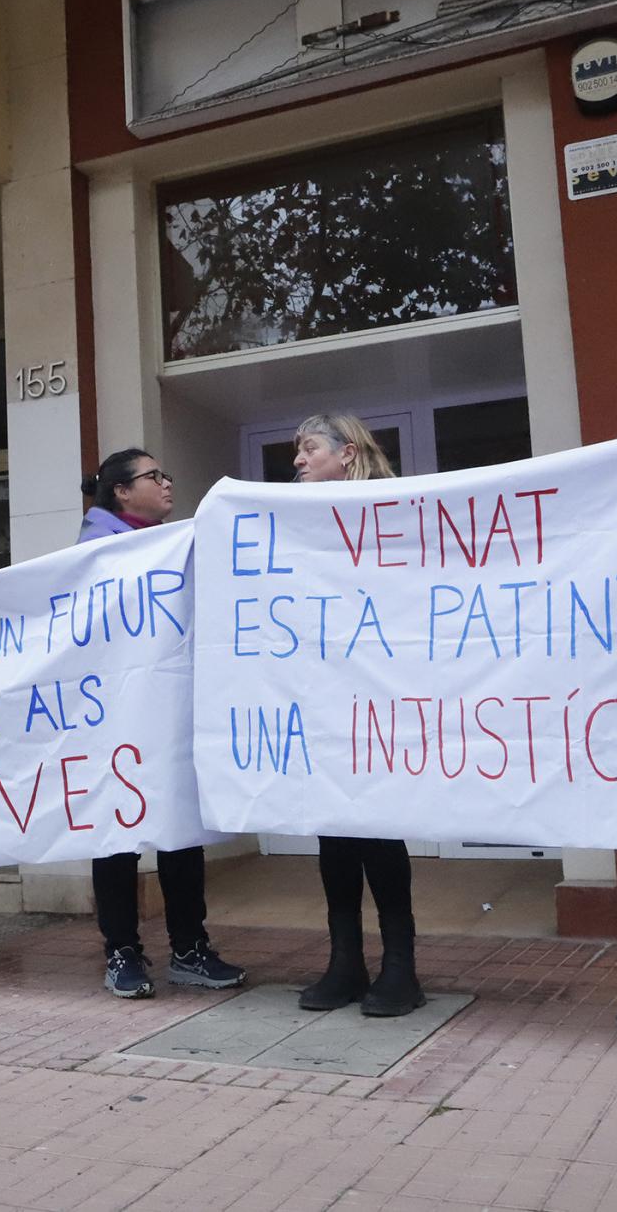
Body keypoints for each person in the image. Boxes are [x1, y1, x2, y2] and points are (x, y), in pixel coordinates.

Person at [77, 448, 249, 1000]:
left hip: (172, 712)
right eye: (154, 476)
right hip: (115, 718)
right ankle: (122, 951)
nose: (168, 483)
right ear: (122, 491)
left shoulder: (177, 546)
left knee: (179, 828)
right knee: (117, 835)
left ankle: (189, 948)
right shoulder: (91, 555)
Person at [285, 415, 429, 1017]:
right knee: (334, 828)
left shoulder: (391, 514)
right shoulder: (293, 526)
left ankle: (401, 968)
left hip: (380, 694)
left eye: (308, 447)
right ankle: (346, 963)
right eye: (295, 449)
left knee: (377, 827)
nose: (297, 459)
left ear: (346, 454)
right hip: (321, 694)